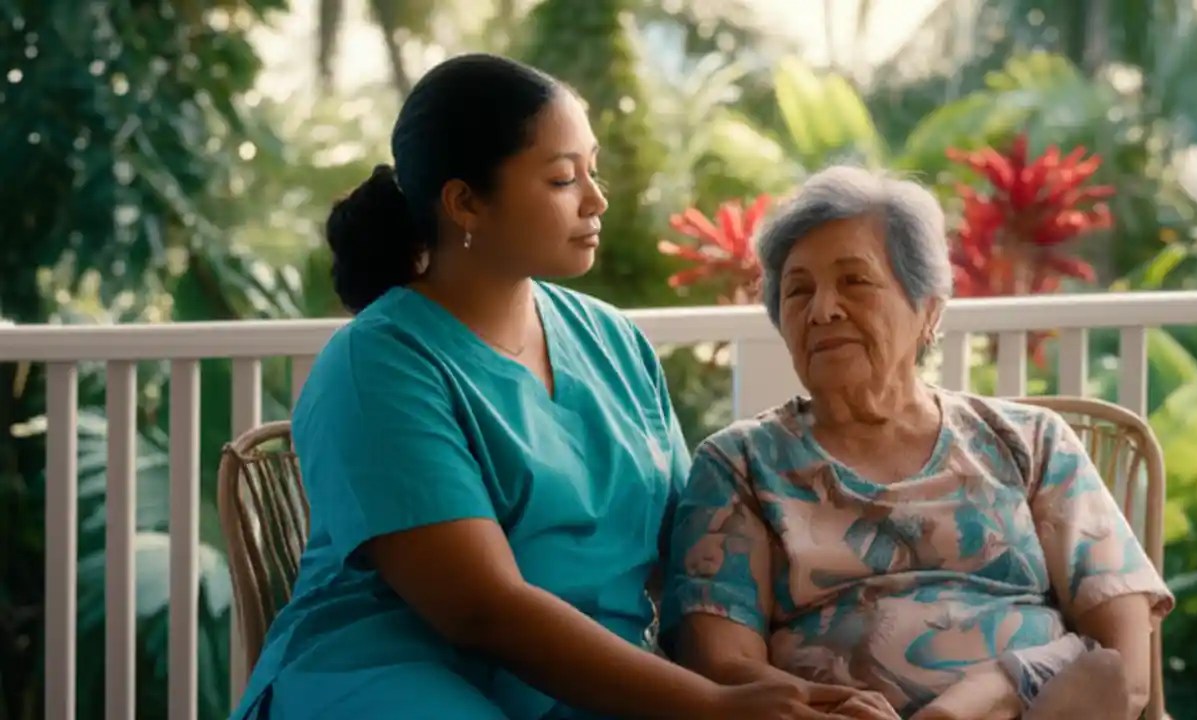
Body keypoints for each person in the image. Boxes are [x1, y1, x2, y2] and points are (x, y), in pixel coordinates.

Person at [228, 53, 880, 720]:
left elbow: (692, 554)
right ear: (466, 203)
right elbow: (482, 610)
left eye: (591, 170)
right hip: (392, 682)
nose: (596, 199)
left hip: (595, 688)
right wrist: (712, 705)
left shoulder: (610, 340)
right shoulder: (377, 364)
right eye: (563, 178)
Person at [660, 166, 1175, 720]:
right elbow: (721, 665)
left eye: (854, 281)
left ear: (928, 311)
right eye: (798, 290)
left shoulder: (1028, 443)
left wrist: (991, 697)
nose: (823, 309)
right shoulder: (741, 465)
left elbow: (1125, 663)